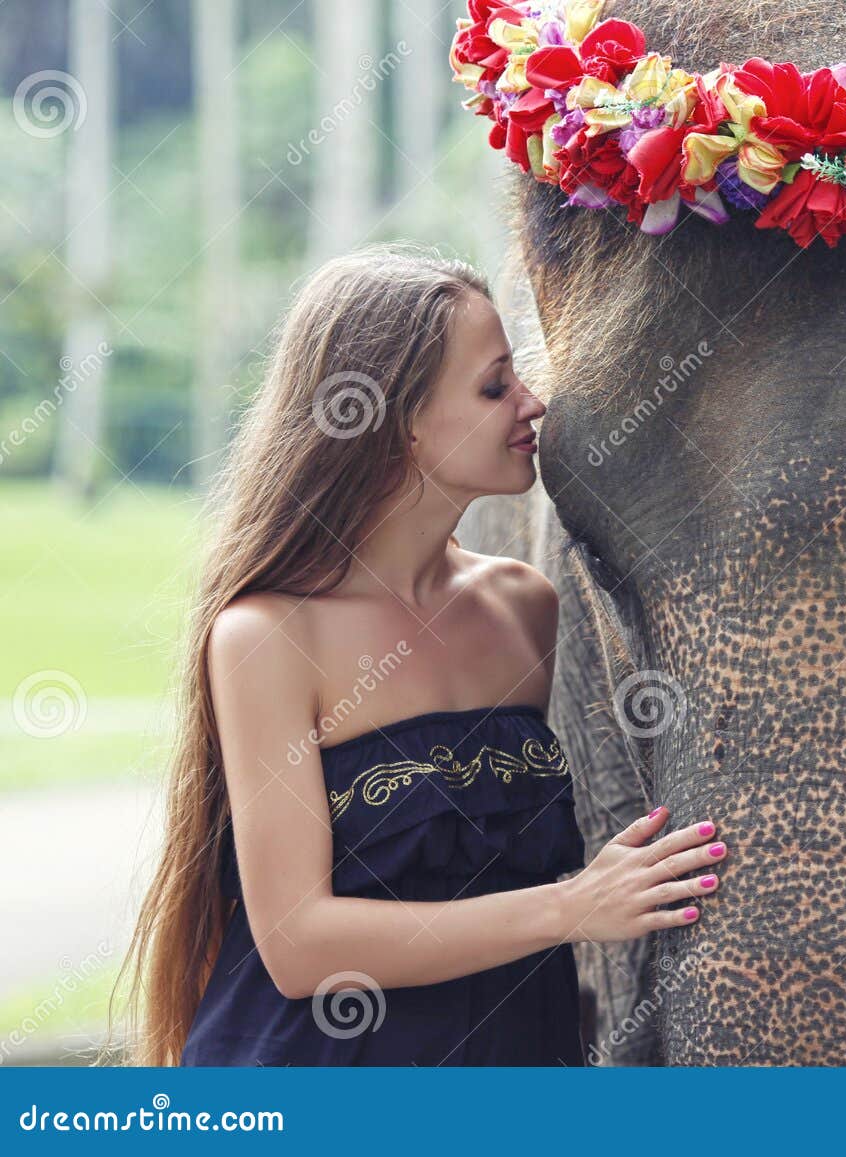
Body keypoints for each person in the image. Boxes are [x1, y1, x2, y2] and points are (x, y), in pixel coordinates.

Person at [108, 242, 725, 1066]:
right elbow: (300, 947)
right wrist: (573, 906)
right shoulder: (268, 635)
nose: (533, 403)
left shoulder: (524, 609)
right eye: (494, 385)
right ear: (397, 424)